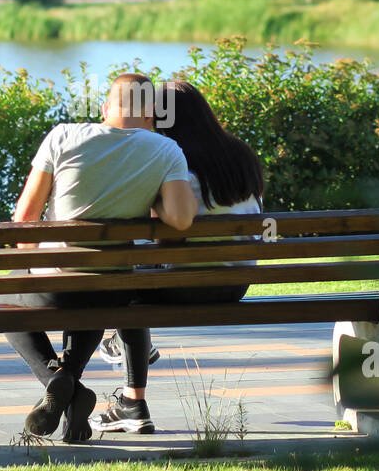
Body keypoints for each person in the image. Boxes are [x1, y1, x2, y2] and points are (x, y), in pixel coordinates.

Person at [2, 74, 198, 443]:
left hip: (58, 282)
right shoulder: (166, 150)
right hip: (113, 289)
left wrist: (29, 269)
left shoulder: (63, 135)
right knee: (96, 291)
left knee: (5, 301)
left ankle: (59, 382)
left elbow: (25, 218)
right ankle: (70, 392)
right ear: (152, 112)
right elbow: (181, 219)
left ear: (107, 108)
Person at [92, 79, 265, 434]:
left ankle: (132, 400)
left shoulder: (170, 164)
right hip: (235, 283)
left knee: (124, 288)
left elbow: (147, 228)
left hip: (185, 285)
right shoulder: (241, 156)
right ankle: (128, 360)